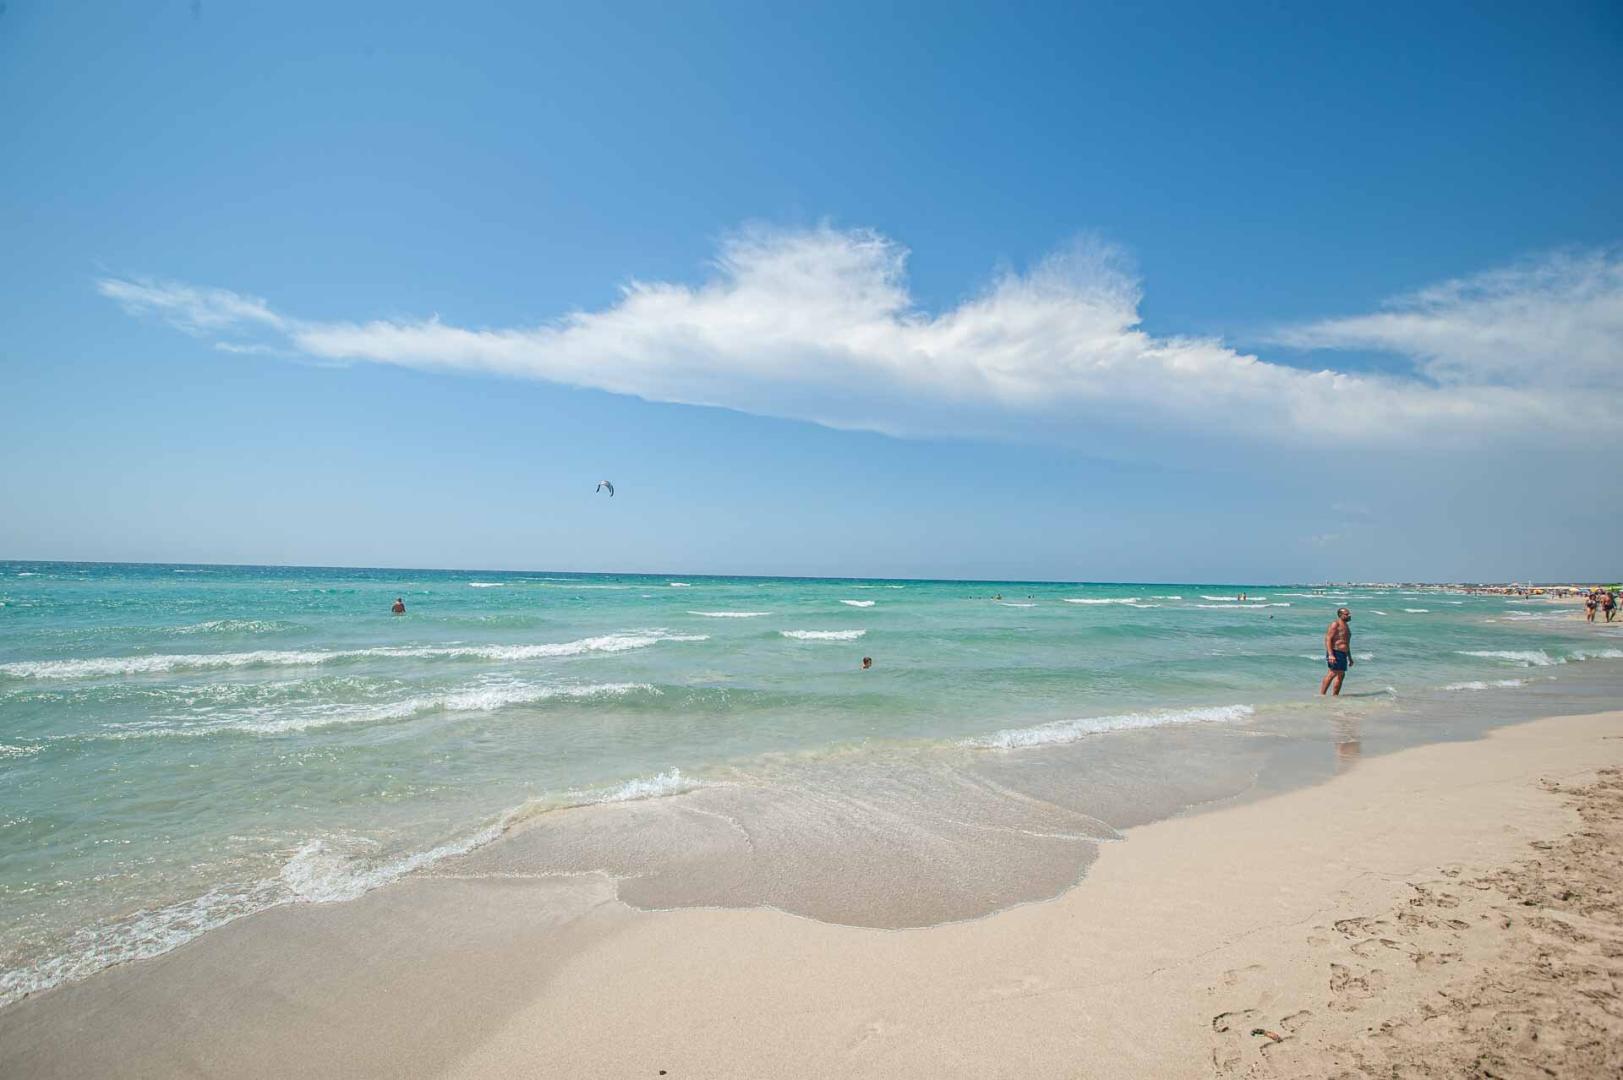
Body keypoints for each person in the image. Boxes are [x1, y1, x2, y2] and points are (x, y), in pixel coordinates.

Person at [1319, 607, 1353, 696]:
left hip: (1343, 654)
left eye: (1349, 614)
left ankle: (1335, 696)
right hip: (1335, 652)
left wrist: (1349, 657)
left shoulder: (1346, 625)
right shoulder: (1335, 624)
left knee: (1341, 675)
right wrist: (1330, 654)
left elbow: (1346, 643)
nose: (1349, 615)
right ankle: (1322, 695)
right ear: (1340, 615)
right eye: (1347, 614)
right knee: (1332, 673)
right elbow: (1328, 639)